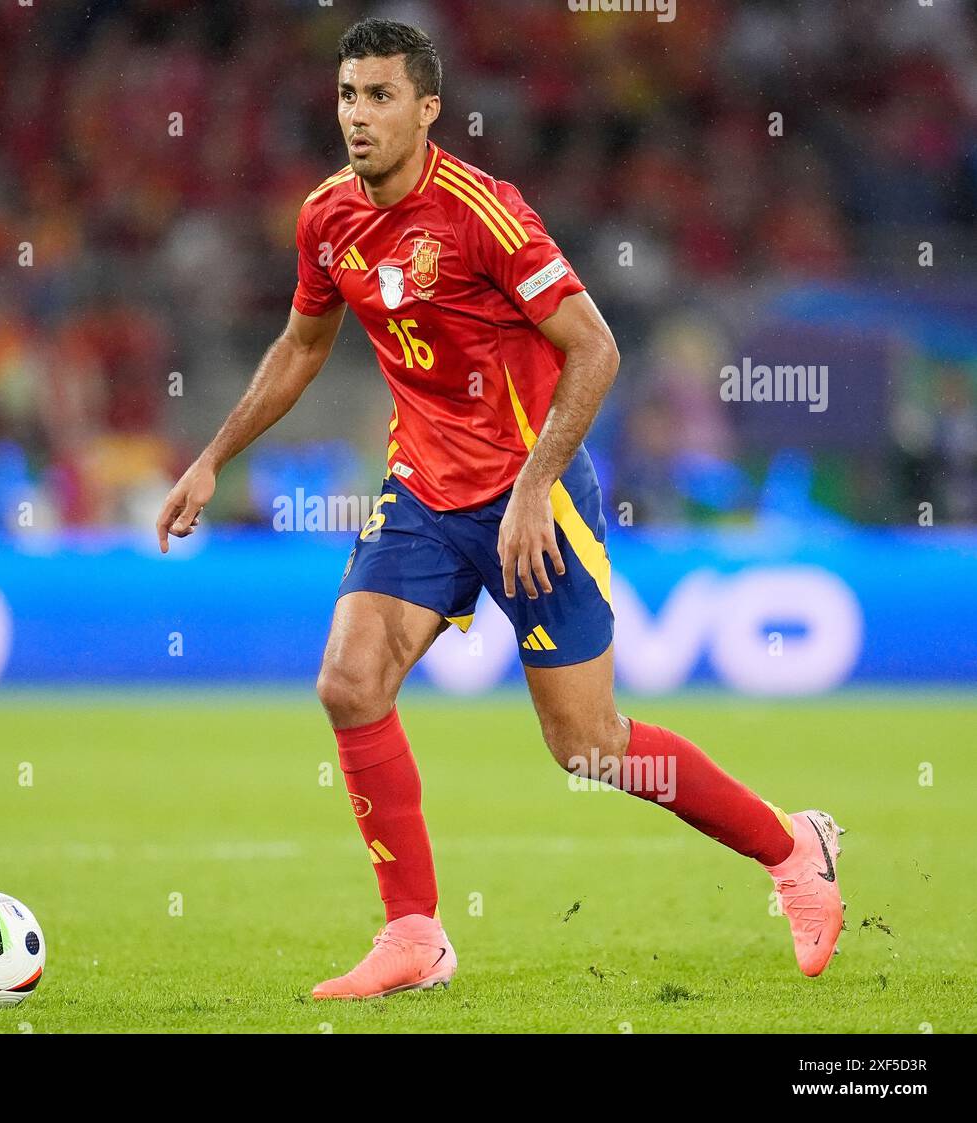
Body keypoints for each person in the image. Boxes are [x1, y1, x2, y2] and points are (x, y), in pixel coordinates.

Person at [156, 18, 845, 1000]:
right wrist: (213, 456)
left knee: (589, 746)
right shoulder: (325, 218)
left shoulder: (485, 213)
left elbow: (594, 348)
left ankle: (791, 847)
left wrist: (531, 489)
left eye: (380, 96)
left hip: (536, 494)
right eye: (348, 96)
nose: (358, 115)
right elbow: (305, 346)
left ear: (426, 108)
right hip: (424, 492)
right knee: (350, 680)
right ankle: (415, 932)